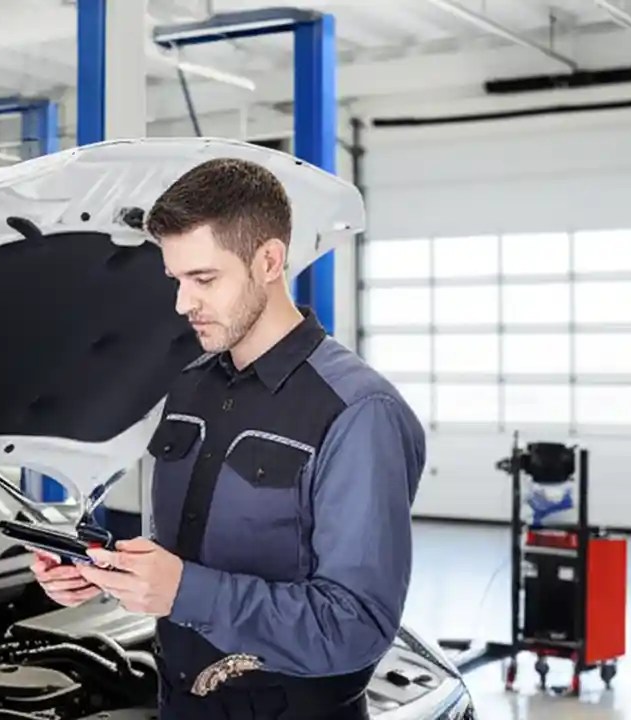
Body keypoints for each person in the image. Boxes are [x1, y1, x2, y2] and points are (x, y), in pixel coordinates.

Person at [29, 157, 427, 719]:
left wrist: (182, 591)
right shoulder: (190, 387)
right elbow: (188, 554)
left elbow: (355, 626)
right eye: (177, 279)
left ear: (269, 260)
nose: (182, 303)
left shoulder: (359, 413)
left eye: (204, 279)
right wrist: (106, 572)